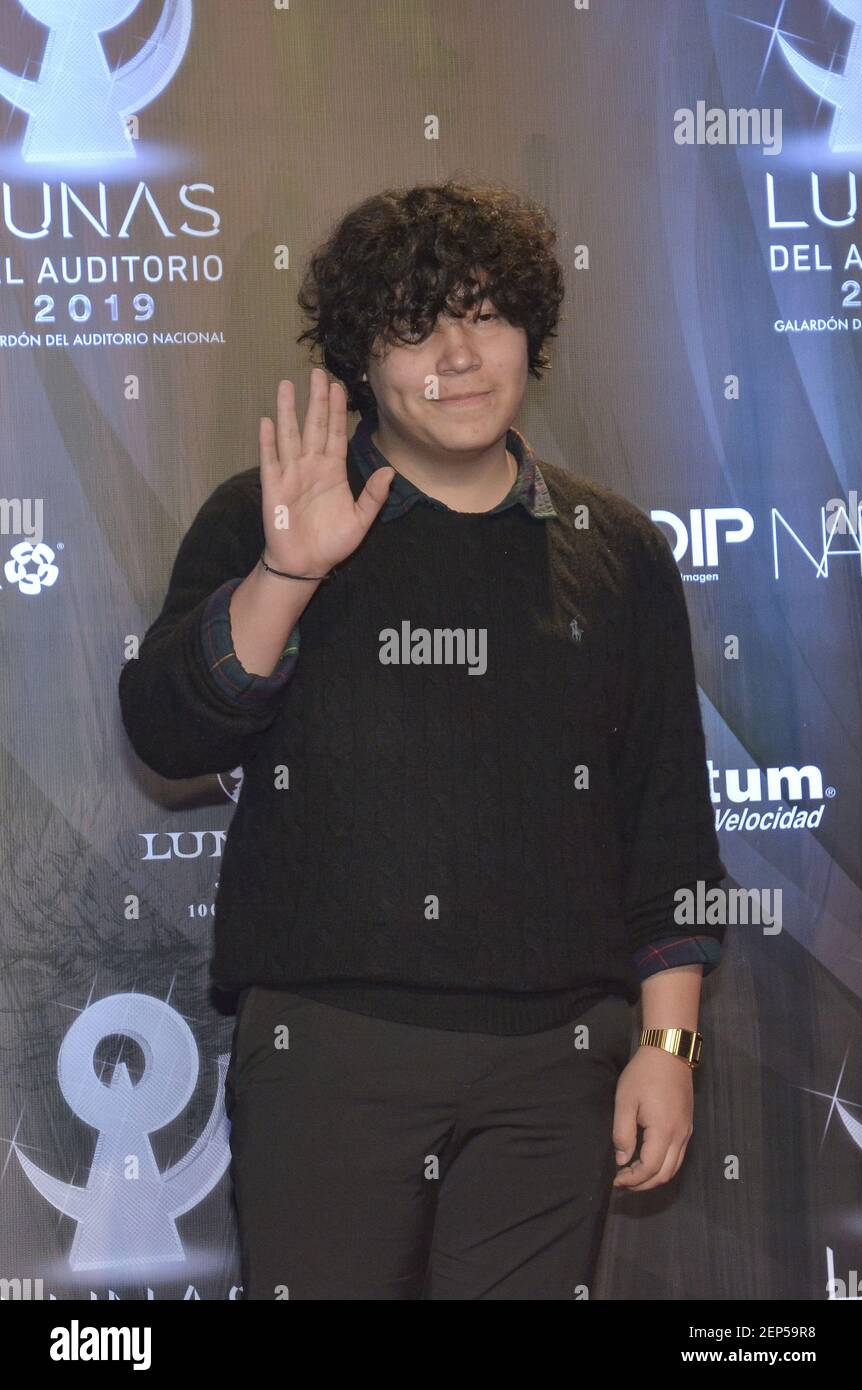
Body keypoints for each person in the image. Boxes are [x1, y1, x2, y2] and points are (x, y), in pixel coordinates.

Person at [118, 180, 728, 1300]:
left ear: (531, 335)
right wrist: (290, 571)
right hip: (327, 1051)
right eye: (412, 323)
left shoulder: (617, 549)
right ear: (363, 359)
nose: (455, 352)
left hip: (558, 1067)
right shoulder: (268, 519)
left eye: (484, 313)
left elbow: (667, 829)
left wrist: (667, 1048)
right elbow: (166, 729)